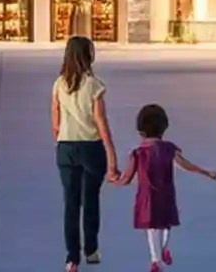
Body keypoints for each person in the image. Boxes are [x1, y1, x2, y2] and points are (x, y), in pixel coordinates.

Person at [114, 104, 216, 271]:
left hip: (147, 197)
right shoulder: (169, 148)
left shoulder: (138, 153)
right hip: (166, 194)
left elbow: (126, 178)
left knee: (151, 228)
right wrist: (206, 172)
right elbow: (185, 164)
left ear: (141, 131)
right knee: (165, 224)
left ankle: (155, 260)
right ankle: (163, 250)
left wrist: (114, 181)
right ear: (164, 128)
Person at [52, 36, 120, 271]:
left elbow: (55, 123)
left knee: (71, 203)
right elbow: (101, 122)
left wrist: (62, 142)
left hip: (66, 148)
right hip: (91, 147)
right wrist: (111, 156)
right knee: (90, 199)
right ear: (88, 56)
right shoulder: (94, 85)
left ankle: (72, 258)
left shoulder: (59, 84)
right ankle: (91, 250)